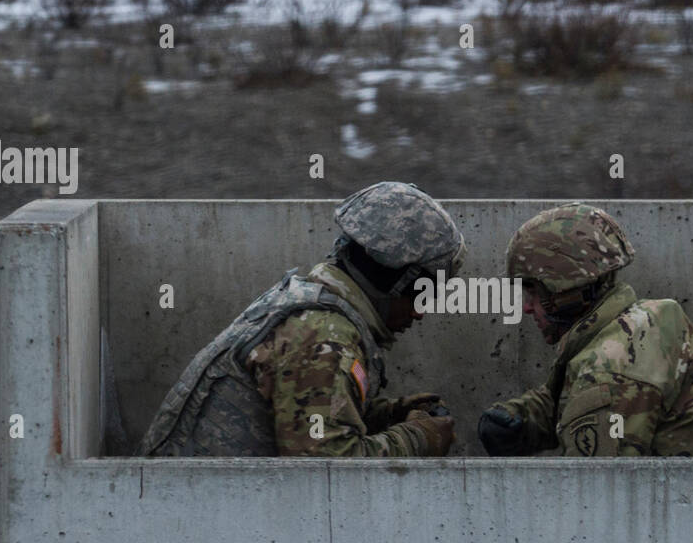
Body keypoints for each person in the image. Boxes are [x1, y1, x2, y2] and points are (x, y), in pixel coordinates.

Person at [140, 182, 461, 458]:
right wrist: (418, 438)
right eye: (422, 292)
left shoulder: (306, 303)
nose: (421, 311)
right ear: (397, 282)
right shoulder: (323, 339)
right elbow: (328, 477)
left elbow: (300, 419)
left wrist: (390, 416)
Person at [478, 203, 693, 458]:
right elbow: (571, 398)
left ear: (566, 292)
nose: (527, 308)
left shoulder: (610, 369)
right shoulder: (637, 321)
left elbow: (593, 499)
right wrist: (523, 418)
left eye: (533, 292)